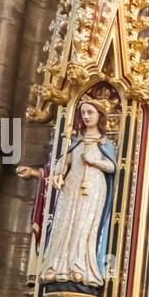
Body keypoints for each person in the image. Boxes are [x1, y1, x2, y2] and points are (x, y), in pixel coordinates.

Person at [39, 97, 117, 286]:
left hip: (92, 188)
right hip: (71, 186)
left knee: (83, 224)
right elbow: (63, 163)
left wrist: (95, 161)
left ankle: (80, 266)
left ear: (100, 115)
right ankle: (57, 266)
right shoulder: (75, 141)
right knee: (65, 223)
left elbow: (112, 167)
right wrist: (58, 175)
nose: (86, 116)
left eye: (90, 112)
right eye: (83, 113)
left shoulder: (105, 143)